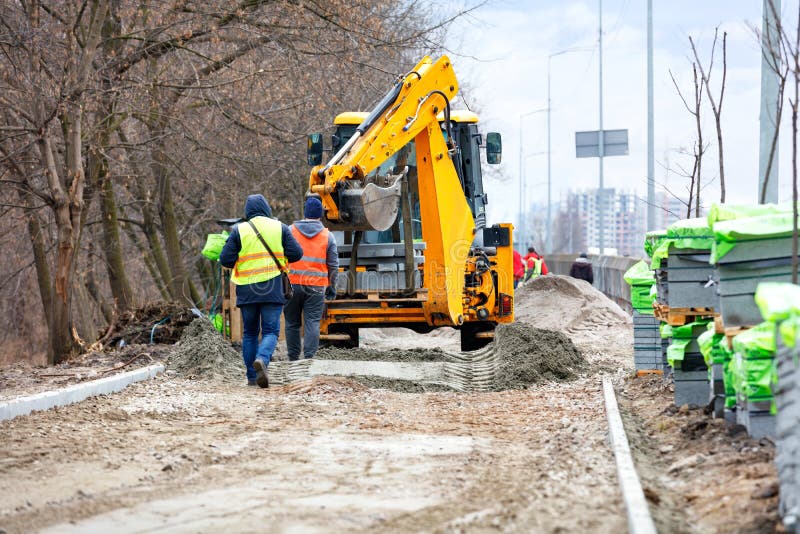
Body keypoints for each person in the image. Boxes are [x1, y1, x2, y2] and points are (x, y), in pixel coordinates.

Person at [220, 194, 303, 388]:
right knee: (271, 331)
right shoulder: (279, 227)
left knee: (249, 333)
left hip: (247, 289)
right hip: (272, 288)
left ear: (247, 211)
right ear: (267, 208)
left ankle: (251, 377)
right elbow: (297, 253)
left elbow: (225, 259)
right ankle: (263, 360)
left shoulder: (239, 230)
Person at [284, 197, 338, 361]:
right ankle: (309, 359)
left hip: (291, 284)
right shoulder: (327, 236)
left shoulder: (289, 230)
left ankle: (293, 358)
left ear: (304, 213)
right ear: (321, 215)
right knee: (312, 323)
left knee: (292, 323)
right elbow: (334, 265)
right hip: (316, 287)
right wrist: (332, 287)